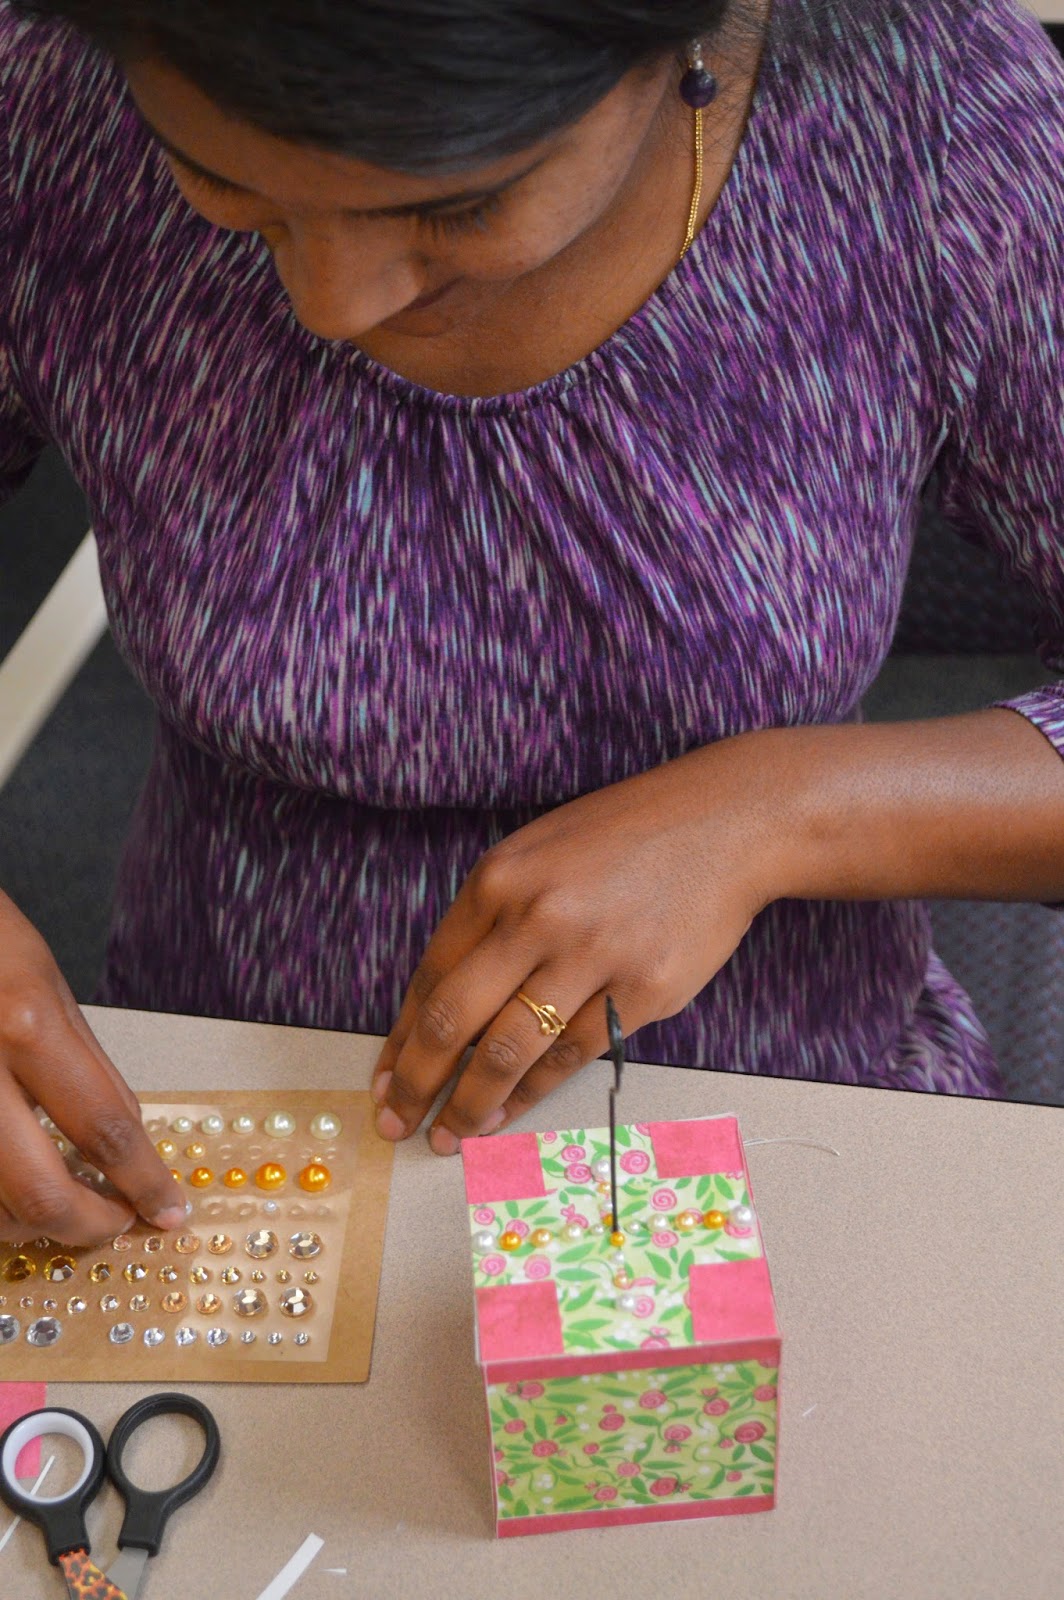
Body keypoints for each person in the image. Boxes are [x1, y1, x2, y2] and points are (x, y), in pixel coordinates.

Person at [0, 0, 1061, 1245]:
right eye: (223, 182)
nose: (332, 304)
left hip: (780, 1114)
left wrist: (781, 814)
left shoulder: (933, 120)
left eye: (460, 206)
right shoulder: (45, 99)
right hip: (212, 1107)